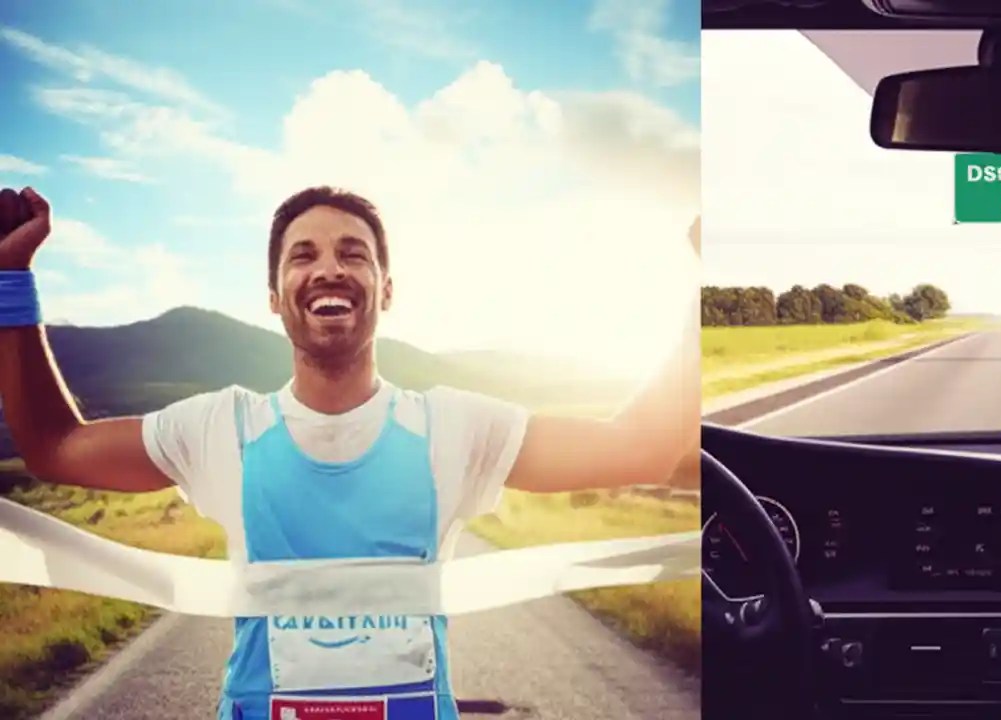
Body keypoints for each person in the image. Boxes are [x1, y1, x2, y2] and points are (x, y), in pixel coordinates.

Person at [0, 185, 699, 720]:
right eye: (302, 255)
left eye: (353, 253)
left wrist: (714, 283)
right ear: (274, 296)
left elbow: (642, 447)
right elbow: (55, 448)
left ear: (386, 290)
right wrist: (9, 275)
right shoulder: (219, 429)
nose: (329, 269)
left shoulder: (454, 428)